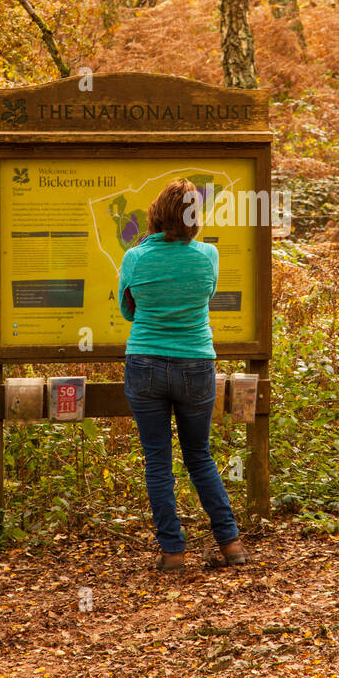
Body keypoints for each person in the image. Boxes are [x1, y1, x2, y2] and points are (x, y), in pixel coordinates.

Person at [118, 179, 247, 572]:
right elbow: (205, 299)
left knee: (157, 461)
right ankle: (231, 546)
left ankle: (173, 552)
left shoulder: (135, 258)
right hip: (195, 364)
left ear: (156, 215)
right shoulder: (208, 255)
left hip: (146, 364)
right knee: (199, 456)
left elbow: (128, 311)